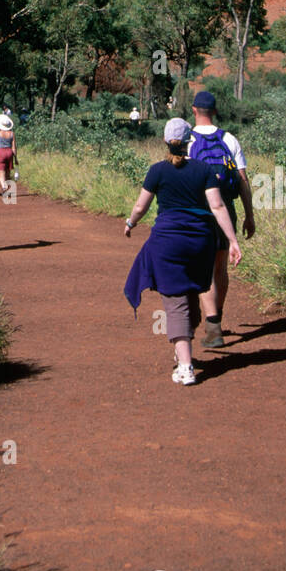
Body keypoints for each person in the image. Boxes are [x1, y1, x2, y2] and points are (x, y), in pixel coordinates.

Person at [124, 118, 242, 385]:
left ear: (165, 142)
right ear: (191, 141)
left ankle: (186, 366)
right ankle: (182, 352)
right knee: (190, 295)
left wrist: (131, 223)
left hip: (168, 241)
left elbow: (141, 207)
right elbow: (218, 207)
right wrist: (232, 241)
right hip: (201, 241)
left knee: (175, 302)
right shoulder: (203, 170)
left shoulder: (157, 171)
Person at [187, 91, 255, 349]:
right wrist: (249, 215)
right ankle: (217, 319)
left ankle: (212, 324)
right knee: (220, 268)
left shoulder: (189, 140)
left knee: (203, 270)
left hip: (200, 213)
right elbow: (243, 181)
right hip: (227, 210)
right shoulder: (229, 139)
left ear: (194, 110)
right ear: (214, 111)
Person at [0, 114, 17, 193]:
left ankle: (4, 187)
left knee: (2, 172)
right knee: (8, 172)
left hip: (1, 152)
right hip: (9, 152)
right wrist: (16, 158)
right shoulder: (12, 134)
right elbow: (14, 147)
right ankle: (8, 187)